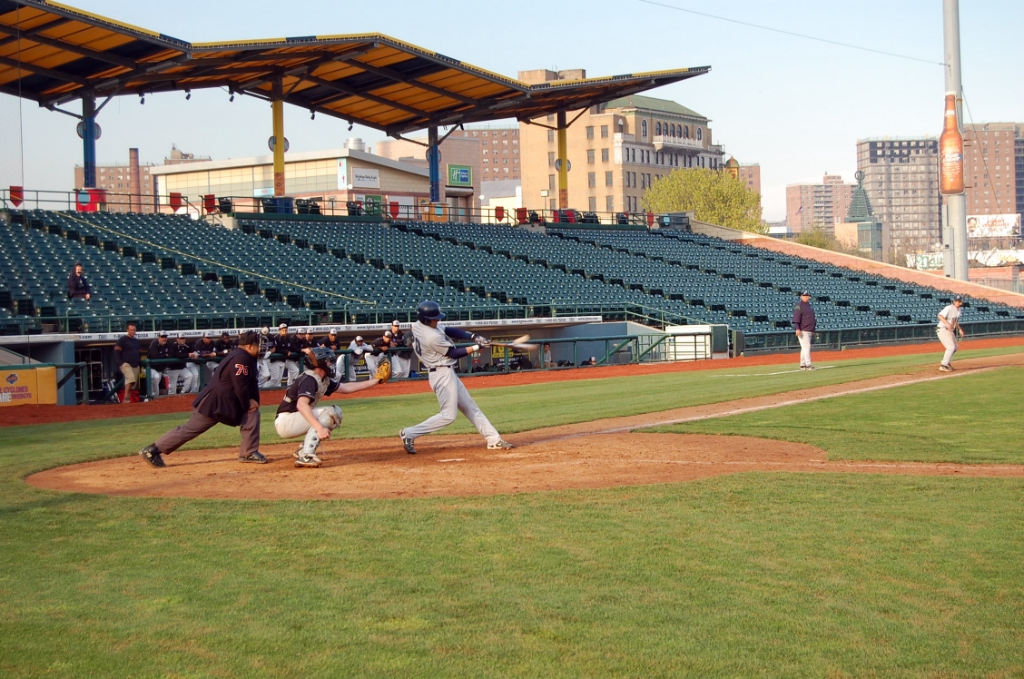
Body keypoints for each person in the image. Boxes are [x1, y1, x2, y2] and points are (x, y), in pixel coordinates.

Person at [399, 300, 514, 454]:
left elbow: (449, 330)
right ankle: (409, 433)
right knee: (448, 416)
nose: (438, 320)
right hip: (441, 374)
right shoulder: (431, 336)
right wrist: (477, 346)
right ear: (427, 320)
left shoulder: (419, 325)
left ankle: (493, 439)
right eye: (435, 318)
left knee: (470, 407)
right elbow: (454, 353)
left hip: (446, 372)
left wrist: (474, 336)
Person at [138, 330, 266, 468]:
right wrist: (247, 403)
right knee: (190, 429)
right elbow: (240, 386)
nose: (262, 349)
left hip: (222, 401)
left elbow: (249, 385)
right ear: (249, 346)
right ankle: (152, 450)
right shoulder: (241, 358)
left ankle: (249, 452)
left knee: (252, 413)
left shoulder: (244, 356)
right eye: (259, 345)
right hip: (215, 403)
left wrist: (252, 402)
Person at [274, 346, 385, 468]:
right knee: (329, 413)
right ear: (321, 362)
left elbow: (347, 388)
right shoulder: (309, 379)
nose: (331, 364)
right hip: (286, 421)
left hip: (293, 418)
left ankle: (302, 450)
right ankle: (306, 455)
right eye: (328, 361)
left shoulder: (323, 379)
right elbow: (301, 405)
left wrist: (376, 380)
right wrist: (319, 428)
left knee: (336, 412)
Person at [115, 322, 142, 404]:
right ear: (127, 330)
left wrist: (138, 361)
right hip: (125, 363)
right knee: (130, 378)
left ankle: (127, 400)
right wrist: (120, 362)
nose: (133, 331)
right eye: (131, 330)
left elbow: (140, 352)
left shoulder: (136, 341)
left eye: (134, 330)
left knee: (133, 383)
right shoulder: (122, 339)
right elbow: (116, 351)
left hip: (135, 364)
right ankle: (126, 398)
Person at [937, 294, 965, 372]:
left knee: (955, 347)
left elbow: (955, 321)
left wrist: (960, 329)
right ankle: (943, 365)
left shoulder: (959, 310)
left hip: (949, 330)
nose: (957, 302)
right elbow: (939, 316)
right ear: (954, 301)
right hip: (942, 329)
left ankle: (946, 361)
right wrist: (947, 323)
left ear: (961, 302)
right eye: (956, 301)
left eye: (959, 301)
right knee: (951, 347)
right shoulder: (949, 308)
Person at [792, 290, 817, 371]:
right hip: (803, 330)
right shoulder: (798, 306)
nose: (806, 297)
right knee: (807, 347)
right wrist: (797, 328)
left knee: (804, 348)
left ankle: (803, 365)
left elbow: (812, 318)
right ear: (801, 296)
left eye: (807, 296)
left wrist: (812, 329)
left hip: (809, 330)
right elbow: (796, 319)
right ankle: (808, 364)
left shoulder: (809, 306)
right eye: (805, 295)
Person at [145, 331, 172, 399]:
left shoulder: (168, 344)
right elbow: (155, 356)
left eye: (165, 337)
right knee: (155, 378)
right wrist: (165, 355)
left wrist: (163, 355)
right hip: (151, 367)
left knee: (159, 382)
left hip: (161, 368)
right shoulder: (154, 343)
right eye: (162, 337)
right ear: (159, 337)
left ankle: (155, 397)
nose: (164, 338)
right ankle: (149, 397)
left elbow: (171, 354)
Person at [262, 323, 290, 388]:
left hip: (282, 360)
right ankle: (263, 389)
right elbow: (276, 349)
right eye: (282, 330)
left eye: (286, 330)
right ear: (279, 330)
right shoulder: (276, 338)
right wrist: (285, 351)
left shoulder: (288, 339)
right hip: (273, 361)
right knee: (274, 378)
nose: (284, 331)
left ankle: (273, 393)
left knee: (279, 379)